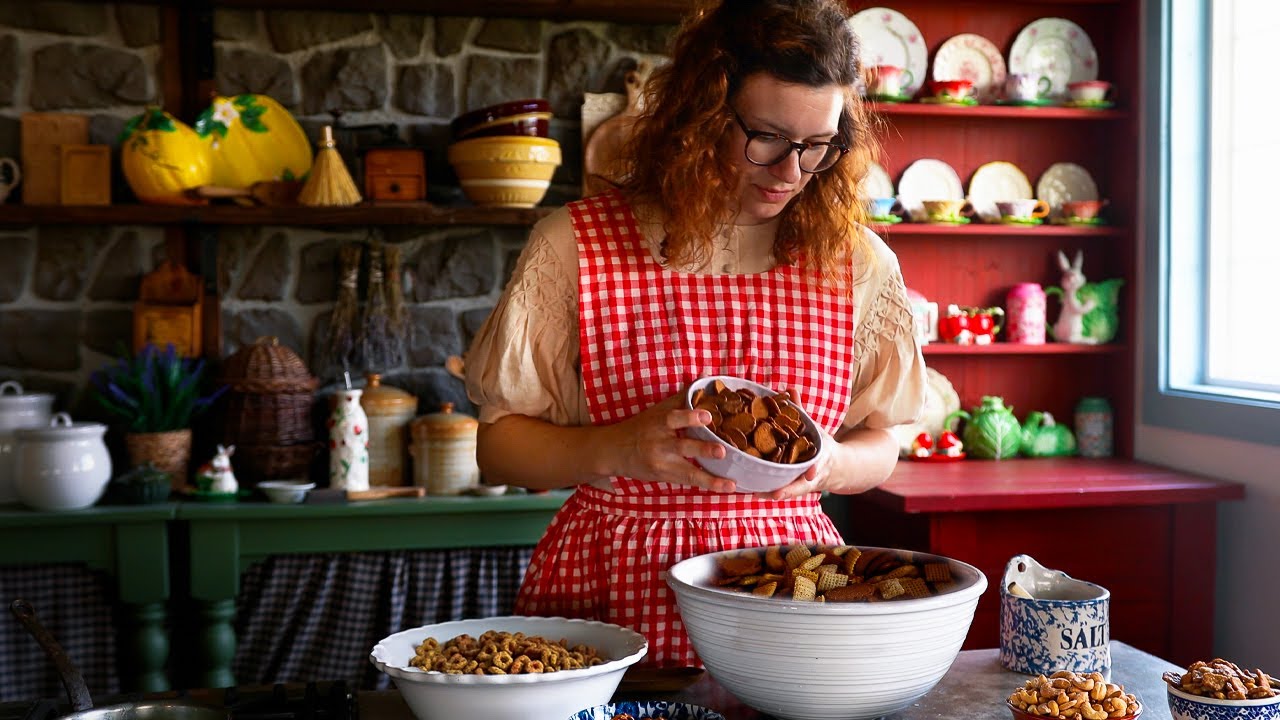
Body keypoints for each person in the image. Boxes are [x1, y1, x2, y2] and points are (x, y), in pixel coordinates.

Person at [464, 0, 927, 667]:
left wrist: (833, 464)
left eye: (817, 145)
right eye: (765, 136)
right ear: (704, 111)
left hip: (790, 594)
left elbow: (883, 438)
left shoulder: (857, 263)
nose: (791, 171)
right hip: (607, 595)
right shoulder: (577, 245)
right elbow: (498, 449)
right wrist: (617, 448)